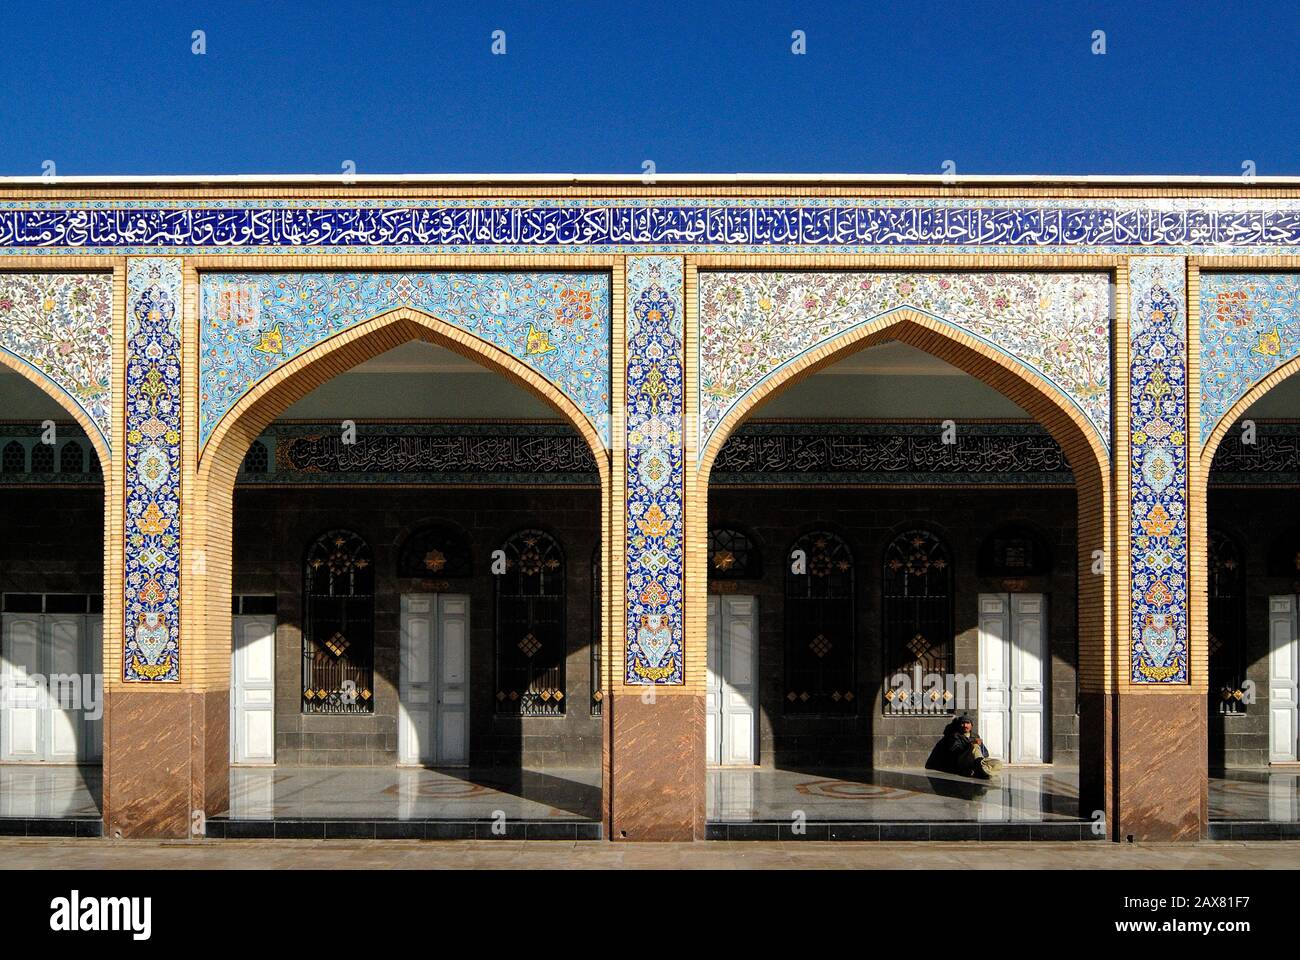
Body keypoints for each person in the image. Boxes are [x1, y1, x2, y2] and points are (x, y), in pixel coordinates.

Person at [924, 715, 1003, 779]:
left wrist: (980, 747)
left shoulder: (975, 736)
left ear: (971, 725)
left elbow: (986, 753)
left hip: (977, 760)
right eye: (963, 723)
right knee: (974, 746)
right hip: (963, 761)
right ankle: (981, 768)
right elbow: (955, 750)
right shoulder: (955, 736)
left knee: (998, 763)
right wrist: (971, 745)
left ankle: (979, 768)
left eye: (967, 723)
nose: (965, 725)